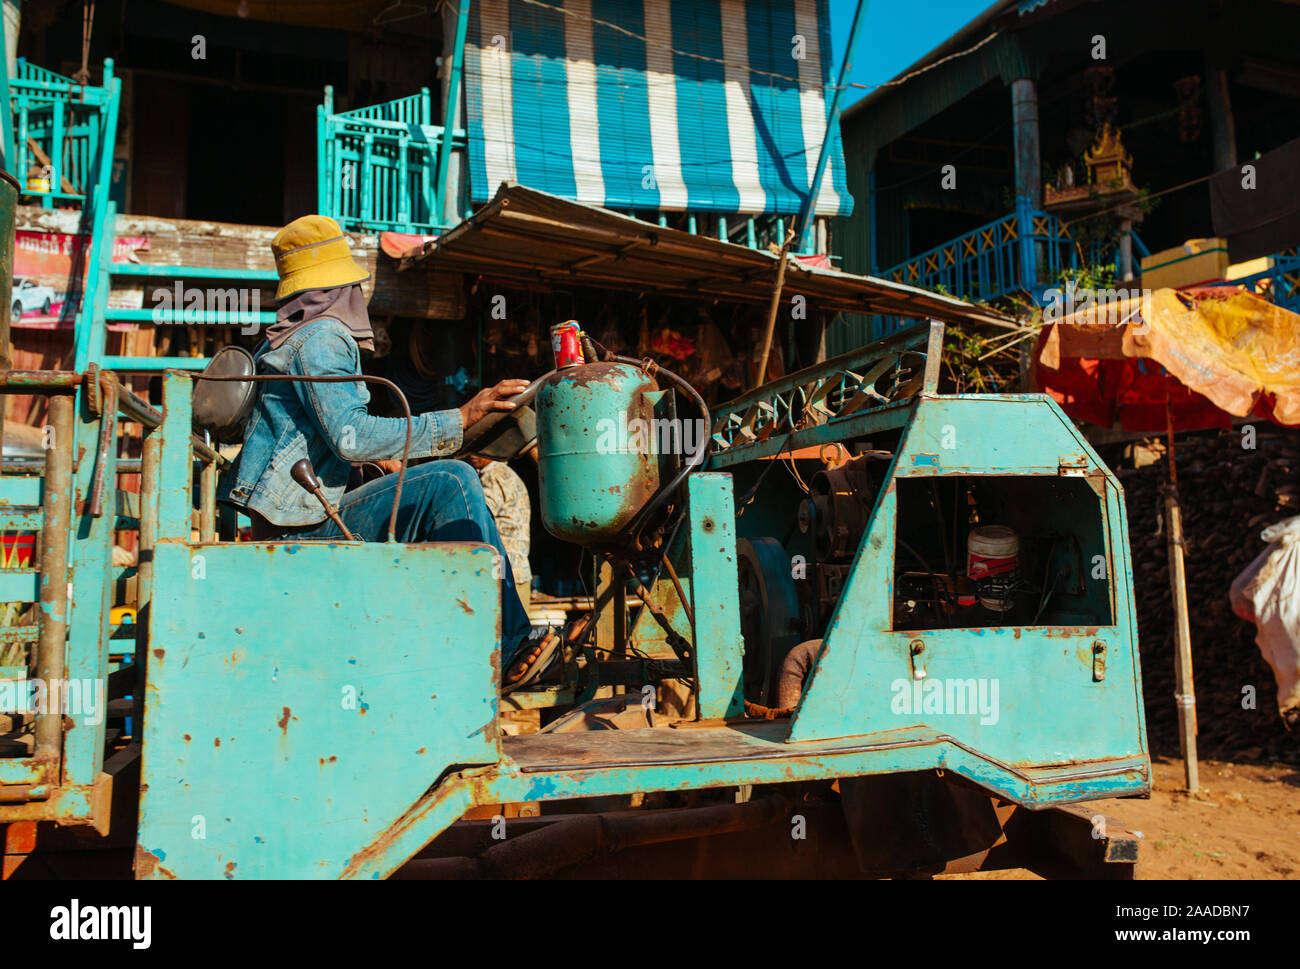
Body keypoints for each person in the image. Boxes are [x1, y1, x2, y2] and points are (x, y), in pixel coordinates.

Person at [219, 214, 555, 682]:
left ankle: (457, 639)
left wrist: (376, 456)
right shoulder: (323, 337)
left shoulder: (284, 339)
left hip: (293, 519)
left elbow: (322, 437)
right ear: (339, 288)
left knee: (429, 487)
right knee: (450, 480)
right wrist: (461, 416)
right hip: (304, 531)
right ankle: (509, 640)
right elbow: (348, 434)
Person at [465, 455, 533, 610]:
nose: (472, 455)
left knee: (499, 629)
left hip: (502, 569)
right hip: (517, 568)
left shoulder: (493, 475)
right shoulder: (507, 473)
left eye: (479, 450)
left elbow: (480, 514)